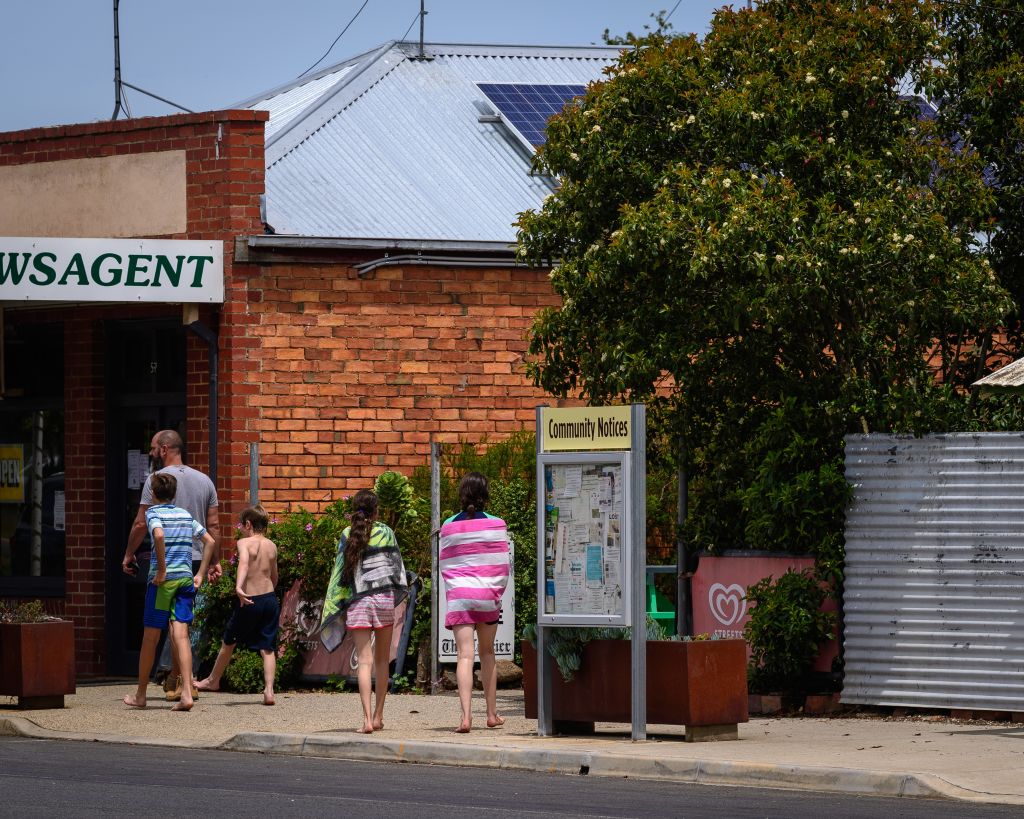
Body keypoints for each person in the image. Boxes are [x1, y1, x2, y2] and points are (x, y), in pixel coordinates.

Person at [122, 429, 220, 701]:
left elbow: (143, 523)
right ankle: (184, 683)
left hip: (165, 568)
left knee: (154, 632)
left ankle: (157, 685)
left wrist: (129, 553)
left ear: (164, 449)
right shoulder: (205, 481)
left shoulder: (155, 481)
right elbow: (213, 526)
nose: (151, 452)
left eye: (153, 448)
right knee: (184, 628)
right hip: (194, 560)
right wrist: (214, 562)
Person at [320, 489, 408, 734]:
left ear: (353, 511)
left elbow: (338, 575)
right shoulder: (387, 532)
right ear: (376, 510)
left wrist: (334, 606)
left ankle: (367, 720)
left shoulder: (347, 534)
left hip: (359, 603)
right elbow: (396, 568)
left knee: (364, 661)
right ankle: (379, 717)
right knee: (382, 662)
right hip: (383, 601)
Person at [440, 472, 511, 733]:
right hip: (486, 597)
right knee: (488, 653)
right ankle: (492, 715)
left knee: (464, 655)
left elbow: (445, 566)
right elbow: (503, 566)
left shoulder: (448, 525)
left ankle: (466, 717)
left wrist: (456, 590)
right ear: (485, 493)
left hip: (460, 597)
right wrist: (495, 593)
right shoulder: (497, 524)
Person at [195, 505, 280, 705]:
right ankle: (269, 690)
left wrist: (239, 587)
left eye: (241, 525)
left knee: (229, 641)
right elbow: (275, 577)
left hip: (249, 599)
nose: (239, 529)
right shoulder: (272, 545)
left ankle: (212, 680)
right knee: (267, 648)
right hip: (269, 599)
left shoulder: (244, 543)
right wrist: (269, 593)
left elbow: (243, 563)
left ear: (248, 524)